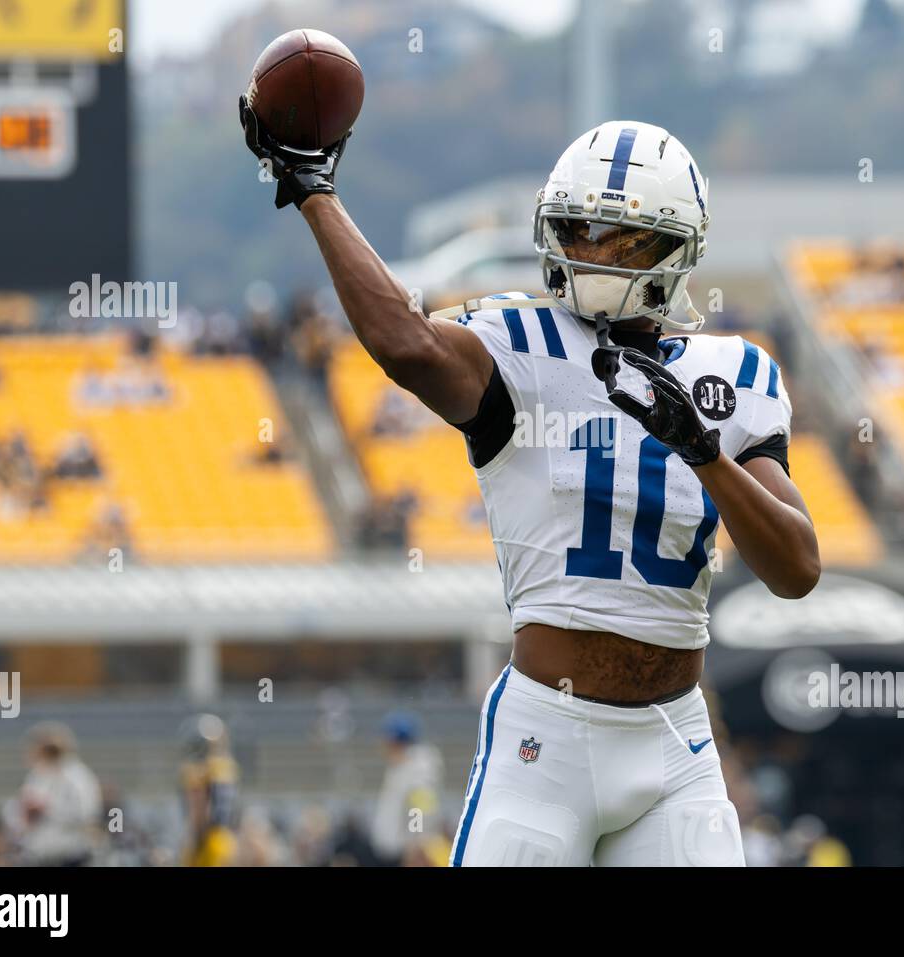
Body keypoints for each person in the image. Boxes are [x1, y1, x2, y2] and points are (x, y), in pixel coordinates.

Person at [240, 111, 820, 867]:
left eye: (622, 238)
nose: (593, 253)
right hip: (545, 739)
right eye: (578, 229)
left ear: (677, 250)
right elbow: (404, 343)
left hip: (675, 743)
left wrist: (703, 452)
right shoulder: (521, 343)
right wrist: (315, 190)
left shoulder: (735, 373)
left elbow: (797, 568)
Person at [6, 723, 102, 866]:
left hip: (71, 853)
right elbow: (16, 812)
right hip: (39, 854)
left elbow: (87, 812)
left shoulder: (78, 776)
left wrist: (48, 809)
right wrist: (25, 815)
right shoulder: (35, 777)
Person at [369, 712, 444, 866]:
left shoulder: (418, 769)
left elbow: (420, 808)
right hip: (394, 852)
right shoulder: (401, 767)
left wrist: (415, 844)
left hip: (405, 854)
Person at [179, 713, 240, 867]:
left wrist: (195, 838)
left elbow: (203, 811)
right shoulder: (226, 767)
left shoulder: (207, 771)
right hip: (222, 837)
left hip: (211, 839)